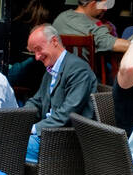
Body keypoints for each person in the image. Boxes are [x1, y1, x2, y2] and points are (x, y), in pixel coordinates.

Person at [22, 23, 96, 163]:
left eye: (38, 49)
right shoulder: (51, 68)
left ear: (54, 41)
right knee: (5, 141)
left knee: (12, 147)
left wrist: (33, 128)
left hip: (67, 139)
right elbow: (37, 101)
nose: (37, 57)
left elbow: (67, 113)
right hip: (49, 134)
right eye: (33, 52)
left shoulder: (78, 69)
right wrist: (19, 119)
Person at [51, 0, 130, 55]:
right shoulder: (94, 26)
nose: (106, 9)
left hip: (57, 70)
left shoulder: (60, 18)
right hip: (83, 70)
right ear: (93, 4)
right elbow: (115, 45)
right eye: (104, 4)